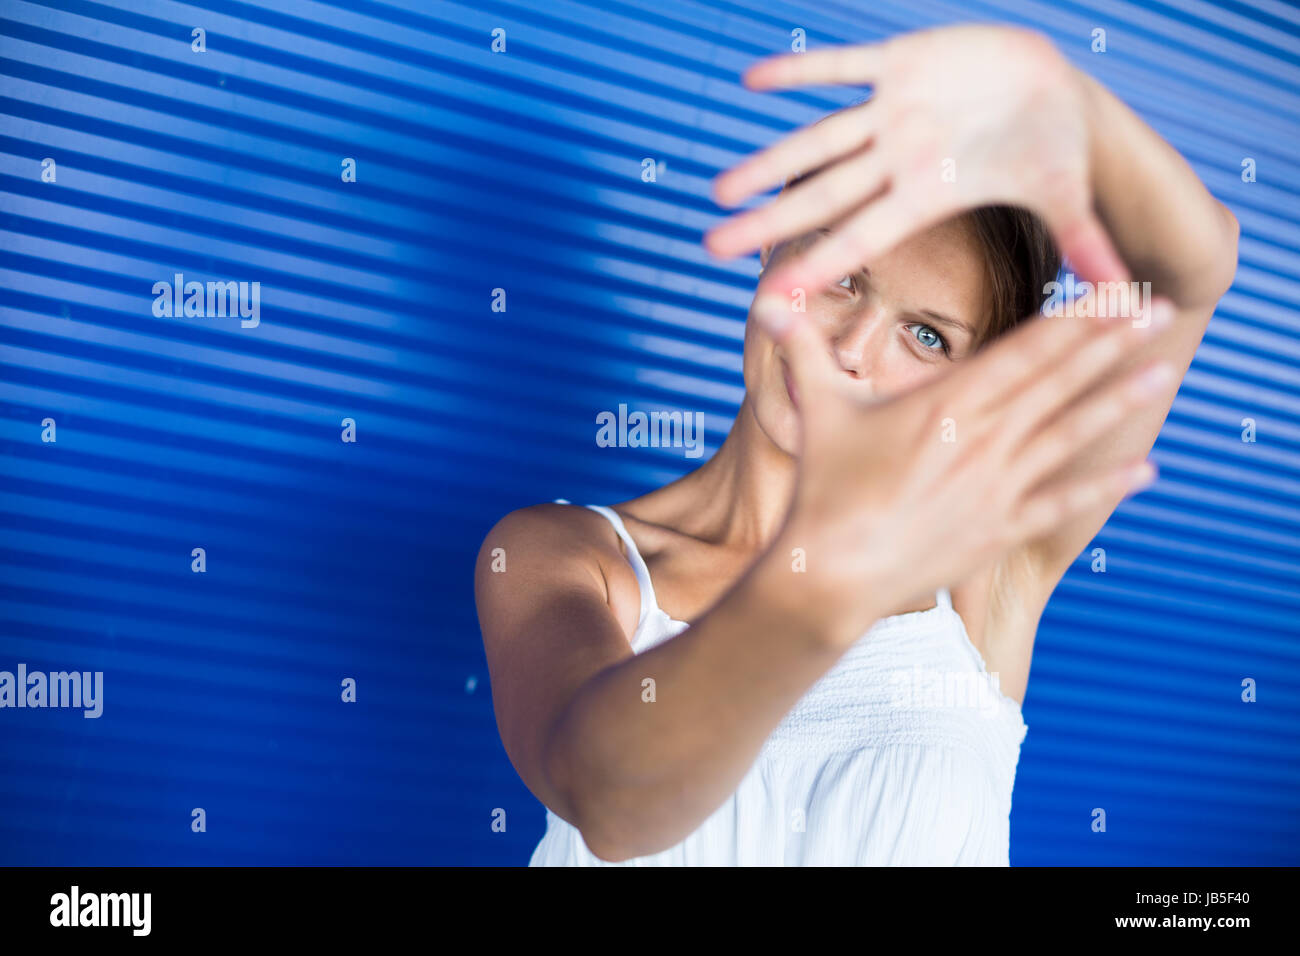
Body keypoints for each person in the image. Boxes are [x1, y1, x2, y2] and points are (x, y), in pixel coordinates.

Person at [475, 23, 1239, 865]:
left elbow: (1190, 270)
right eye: (843, 276)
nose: (850, 352)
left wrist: (1066, 103)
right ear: (773, 239)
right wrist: (824, 582)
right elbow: (613, 803)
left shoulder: (983, 571)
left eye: (927, 336)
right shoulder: (562, 557)